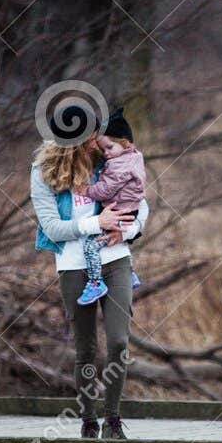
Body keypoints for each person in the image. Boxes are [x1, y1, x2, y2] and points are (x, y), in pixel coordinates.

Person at [29, 118, 148, 440]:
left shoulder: (107, 159)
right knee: (85, 348)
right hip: (73, 266)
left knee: (119, 341)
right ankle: (88, 419)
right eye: (92, 138)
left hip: (115, 259)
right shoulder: (44, 173)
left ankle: (113, 419)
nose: (98, 143)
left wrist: (128, 229)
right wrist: (97, 222)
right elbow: (52, 228)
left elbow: (141, 201)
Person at [74, 111, 146, 305]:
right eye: (103, 149)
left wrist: (86, 190)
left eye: (110, 148)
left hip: (119, 212)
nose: (106, 154)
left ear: (126, 142)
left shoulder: (118, 166)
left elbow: (105, 191)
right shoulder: (135, 157)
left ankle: (96, 283)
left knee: (91, 246)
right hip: (129, 210)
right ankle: (130, 274)